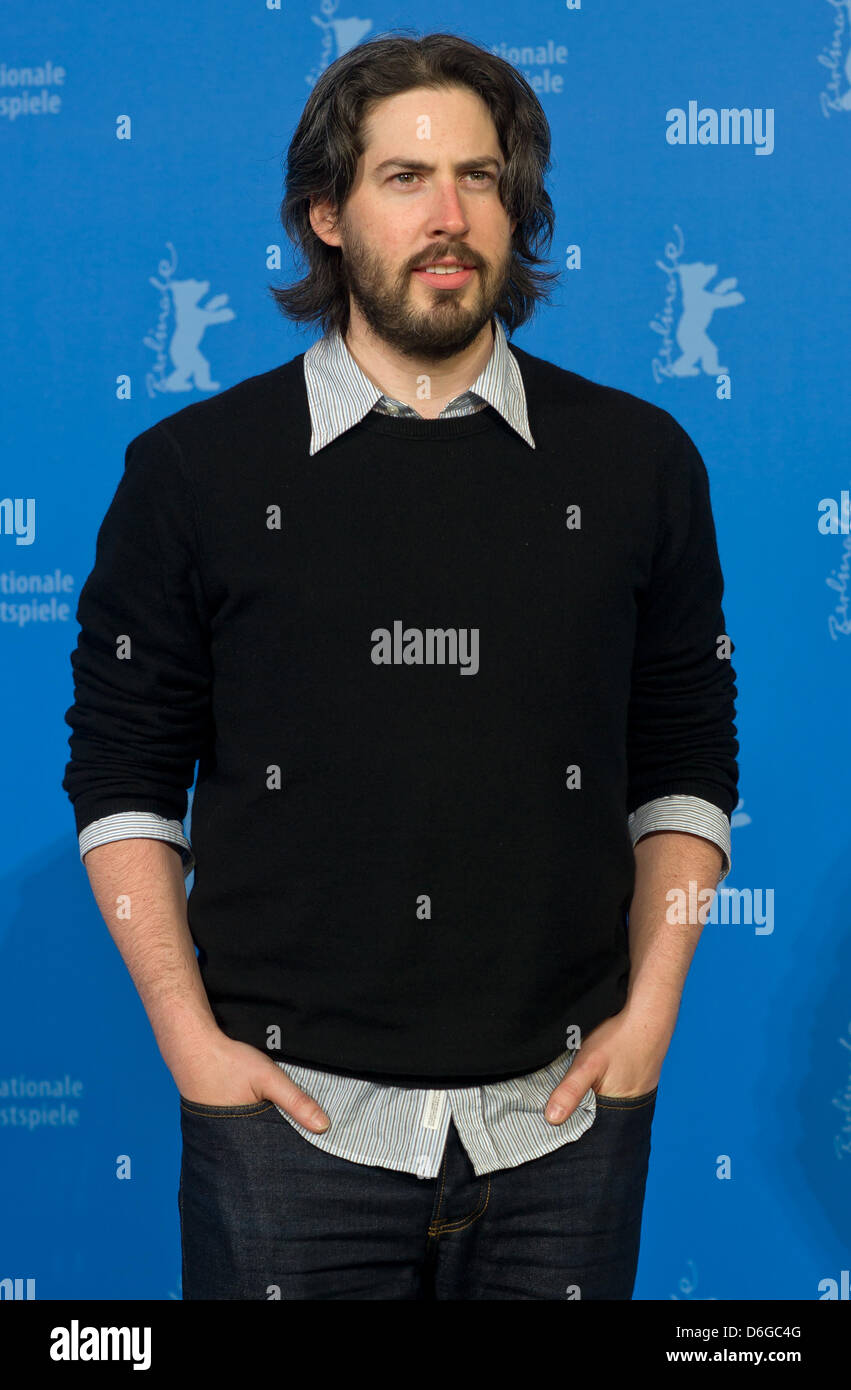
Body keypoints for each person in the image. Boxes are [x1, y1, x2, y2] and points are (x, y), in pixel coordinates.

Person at [61, 31, 738, 1300]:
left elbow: (686, 762)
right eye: (403, 178)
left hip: (566, 1126)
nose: (448, 217)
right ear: (324, 213)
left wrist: (650, 1014)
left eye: (480, 179)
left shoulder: (637, 461)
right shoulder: (194, 472)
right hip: (288, 1134)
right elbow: (124, 778)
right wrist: (187, 1043)